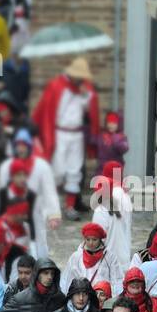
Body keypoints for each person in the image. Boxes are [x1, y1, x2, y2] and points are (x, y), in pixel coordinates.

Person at [31, 57, 100, 217]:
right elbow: (46, 110)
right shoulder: (56, 86)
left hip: (77, 135)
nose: (80, 79)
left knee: (74, 170)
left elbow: (90, 113)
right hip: (60, 133)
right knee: (57, 171)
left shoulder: (86, 89)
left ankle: (69, 207)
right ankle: (52, 206)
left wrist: (85, 97)